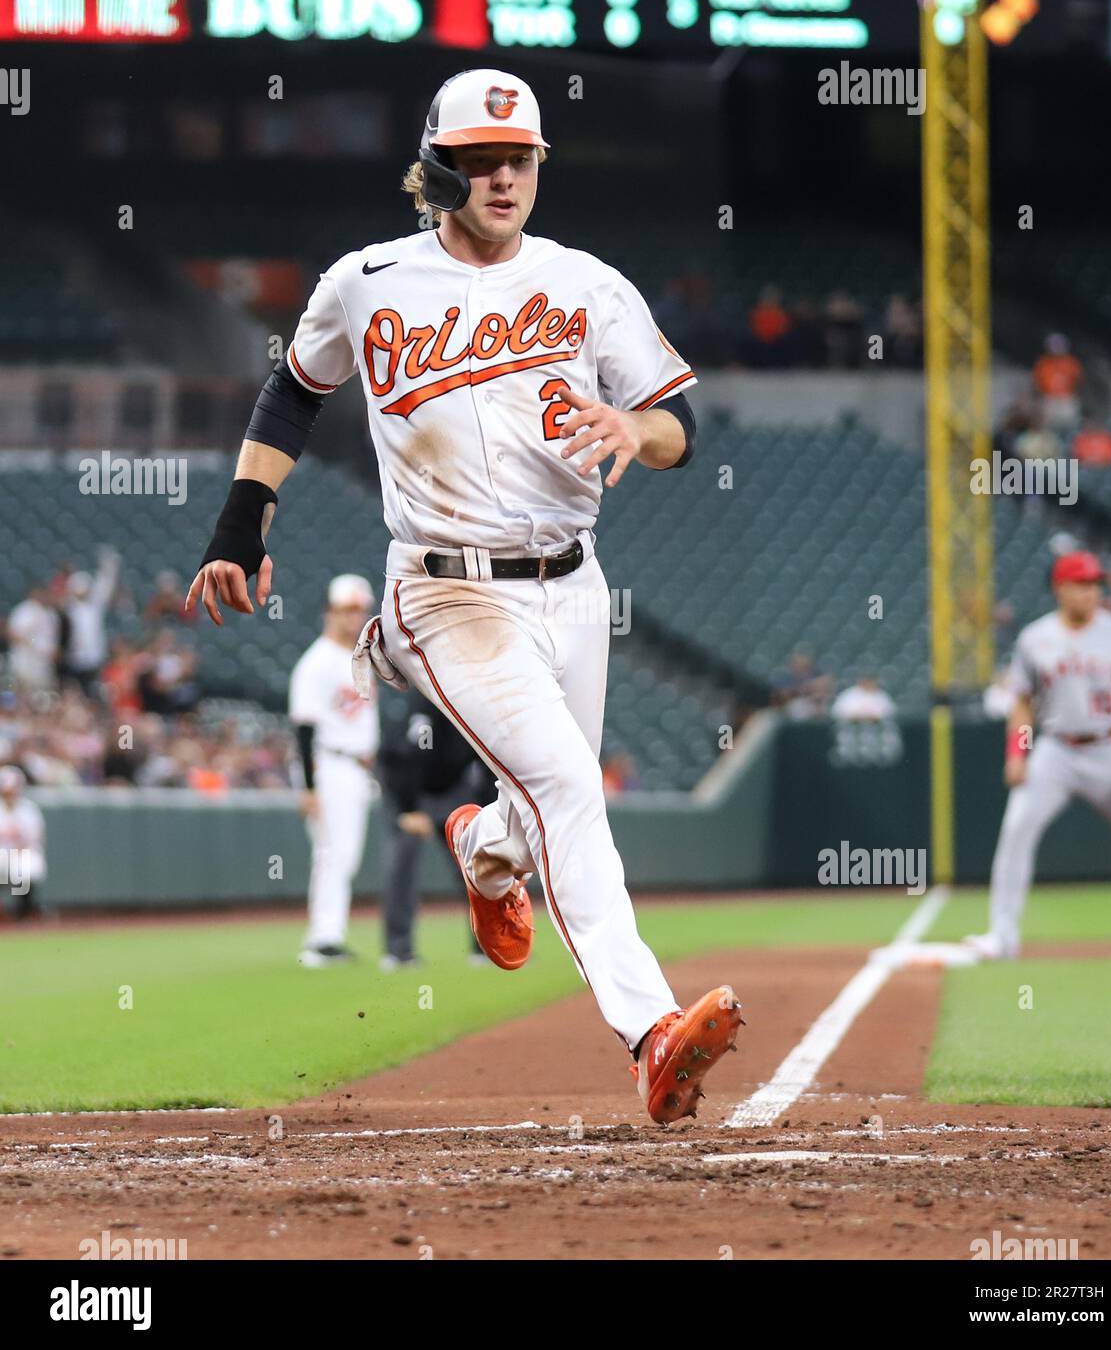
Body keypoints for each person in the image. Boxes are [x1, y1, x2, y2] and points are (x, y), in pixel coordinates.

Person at [183, 68, 743, 1124]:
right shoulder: (369, 279)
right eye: (479, 159)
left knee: (536, 814)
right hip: (444, 594)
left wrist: (636, 430)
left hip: (572, 587)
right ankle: (650, 1031)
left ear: (538, 166)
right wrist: (237, 525)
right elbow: (294, 389)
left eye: (518, 157)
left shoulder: (587, 284)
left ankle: (483, 852)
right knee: (571, 786)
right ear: (438, 168)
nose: (501, 176)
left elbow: (680, 428)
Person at [967, 551, 1111, 961]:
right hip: (1056, 751)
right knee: (1017, 828)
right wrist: (1018, 752)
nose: (1091, 592)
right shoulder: (1035, 638)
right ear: (1060, 588)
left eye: (1094, 584)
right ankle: (1002, 936)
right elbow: (1022, 703)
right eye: (1082, 584)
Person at [288, 574, 380, 968]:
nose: (353, 616)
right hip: (328, 763)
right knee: (332, 853)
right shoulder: (318, 661)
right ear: (330, 612)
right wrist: (308, 786)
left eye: (359, 609)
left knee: (345, 856)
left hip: (354, 766)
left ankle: (330, 934)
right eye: (346, 609)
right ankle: (322, 939)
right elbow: (303, 727)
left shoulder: (359, 657)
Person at [379, 696, 490, 969]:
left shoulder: (476, 707)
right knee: (402, 868)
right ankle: (398, 952)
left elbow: (488, 767)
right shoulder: (427, 702)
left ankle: (486, 947)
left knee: (477, 864)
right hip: (406, 789)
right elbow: (410, 753)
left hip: (452, 789)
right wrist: (409, 808)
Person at [62, 547, 120, 695]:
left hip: (93, 656)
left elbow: (105, 585)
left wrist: (109, 566)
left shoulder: (94, 605)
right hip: (74, 656)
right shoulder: (69, 607)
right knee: (75, 691)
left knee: (93, 690)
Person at [0, 764, 45, 921]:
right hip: (2, 854)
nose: (10, 793)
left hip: (23, 853)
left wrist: (16, 851)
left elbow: (36, 838)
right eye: (7, 790)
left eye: (12, 789)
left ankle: (21, 913)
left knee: (25, 866)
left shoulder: (29, 809)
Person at [6, 585, 60, 694]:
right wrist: (33, 645)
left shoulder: (51, 613)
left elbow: (52, 639)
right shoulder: (24, 611)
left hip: (44, 664)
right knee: (24, 695)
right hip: (25, 661)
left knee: (42, 696)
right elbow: (13, 633)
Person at [831, 675, 897, 723]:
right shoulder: (848, 694)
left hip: (878, 727)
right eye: (866, 681)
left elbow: (891, 711)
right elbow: (836, 711)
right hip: (851, 726)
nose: (868, 684)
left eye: (870, 681)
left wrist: (877, 717)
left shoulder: (881, 695)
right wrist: (853, 716)